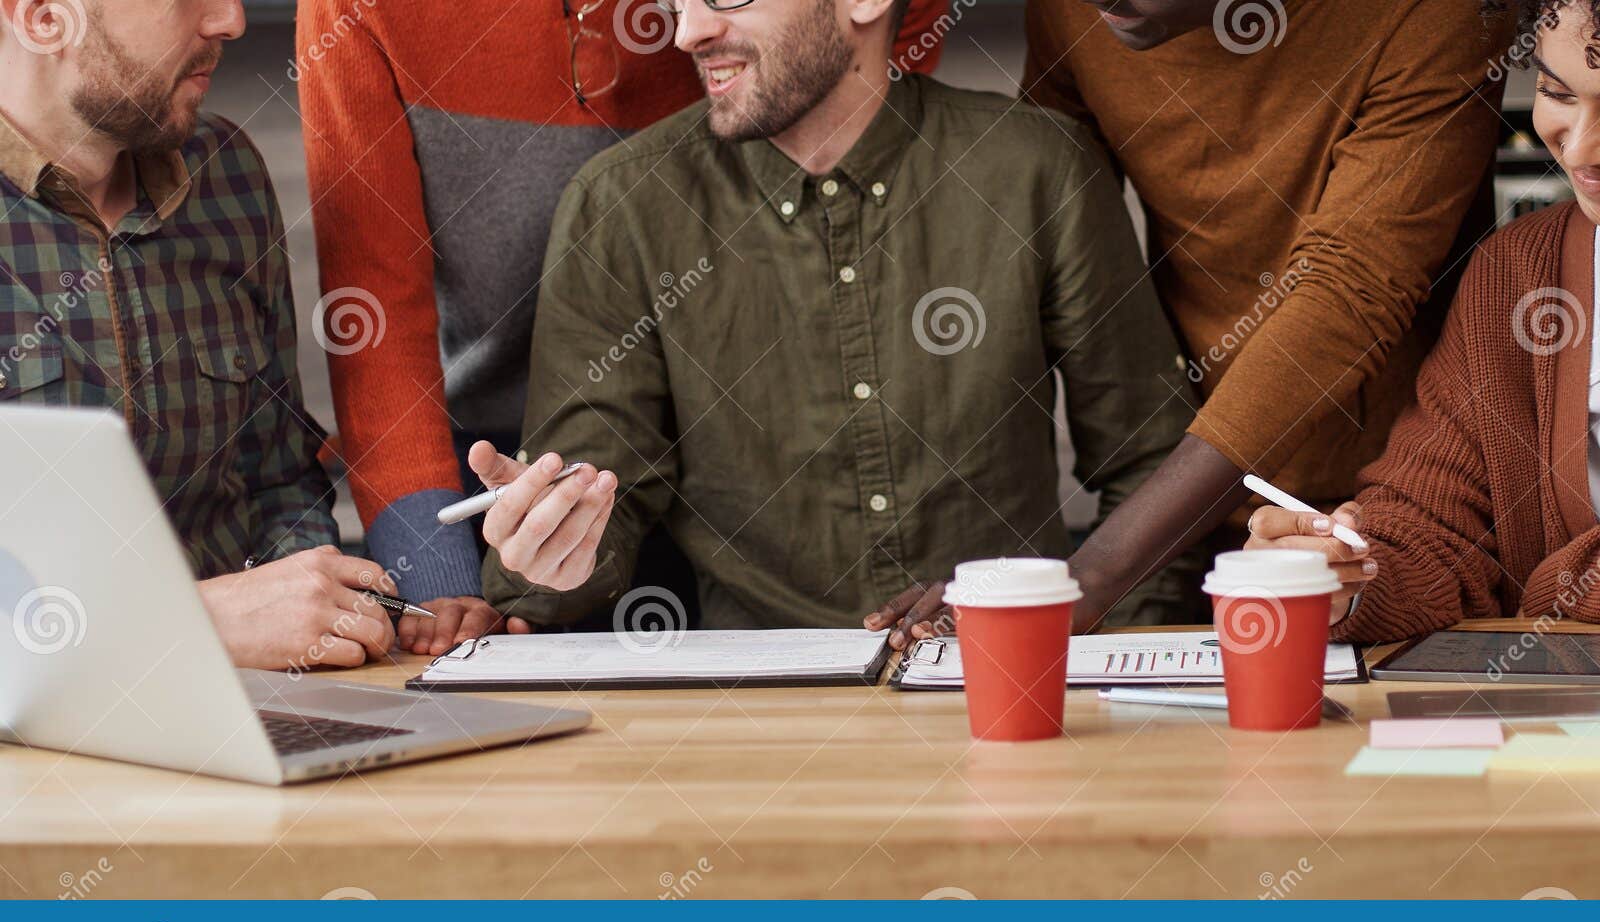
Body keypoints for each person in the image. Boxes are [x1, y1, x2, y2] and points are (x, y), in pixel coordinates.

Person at [469, 0, 1197, 631]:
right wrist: (551, 555)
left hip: (1008, 689)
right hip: (754, 714)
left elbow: (1152, 466)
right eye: (677, 1)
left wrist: (1093, 669)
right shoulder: (622, 207)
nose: (687, 32)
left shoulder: (1037, 167)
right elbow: (594, 517)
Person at [296, 0, 952, 654]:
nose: (687, 30)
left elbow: (864, 69)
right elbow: (377, 310)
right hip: (497, 464)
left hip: (732, 435)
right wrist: (438, 584)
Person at [872, 0, 1516, 643]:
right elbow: (1051, 216)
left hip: (1398, 516)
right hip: (1180, 510)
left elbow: (1351, 287)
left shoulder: (1436, 14)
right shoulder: (1076, 13)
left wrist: (1092, 574)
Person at [0, 0, 402, 670]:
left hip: (255, 701)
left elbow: (278, 477)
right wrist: (192, 623)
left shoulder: (226, 173)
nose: (230, 21)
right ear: (43, 18)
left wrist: (328, 618)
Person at [1247, 0, 1600, 642]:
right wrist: (1347, 575)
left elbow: (1557, 590)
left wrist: (1557, 589)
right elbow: (1439, 524)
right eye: (1557, 93)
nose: (1581, 146)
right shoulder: (1517, 273)